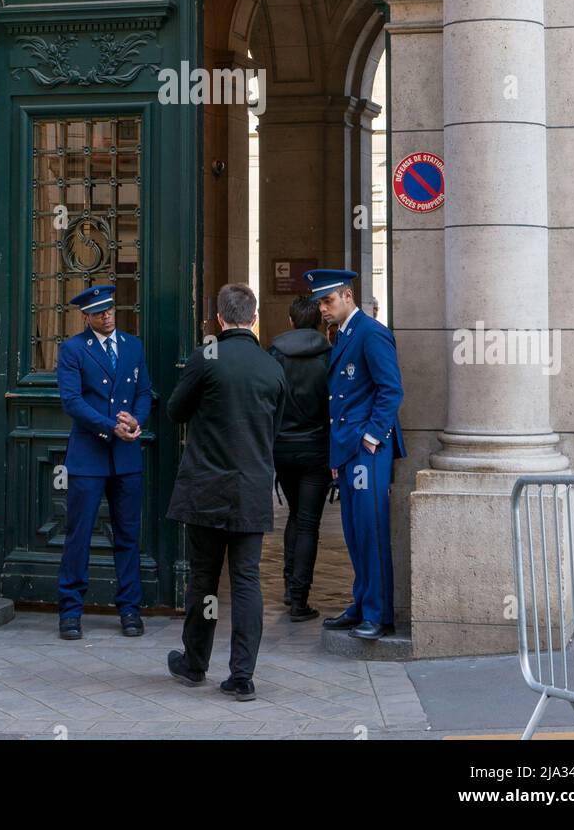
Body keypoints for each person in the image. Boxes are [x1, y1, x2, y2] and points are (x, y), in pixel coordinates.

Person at [165, 282, 286, 702]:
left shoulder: (208, 357)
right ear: (253, 318)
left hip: (207, 486)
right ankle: (242, 675)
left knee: (205, 579)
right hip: (251, 486)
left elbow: (175, 410)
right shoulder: (271, 365)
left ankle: (195, 663)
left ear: (219, 318)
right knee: (247, 580)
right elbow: (276, 427)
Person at [303, 267, 405, 640]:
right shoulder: (346, 334)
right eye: (320, 303)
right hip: (348, 449)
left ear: (348, 296)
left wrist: (372, 437)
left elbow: (391, 389)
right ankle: (362, 603)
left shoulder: (372, 333)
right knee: (353, 532)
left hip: (366, 451)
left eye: (328, 300)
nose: (323, 309)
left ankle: (377, 613)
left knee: (370, 530)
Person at [55, 283, 152, 641]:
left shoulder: (133, 346)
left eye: (111, 310)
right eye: (99, 313)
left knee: (128, 534)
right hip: (88, 456)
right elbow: (71, 401)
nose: (107, 316)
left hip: (126, 457)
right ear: (86, 317)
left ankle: (130, 608)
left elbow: (144, 391)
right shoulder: (73, 350)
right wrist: (111, 426)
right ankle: (70, 610)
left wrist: (137, 420)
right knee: (78, 535)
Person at [268, 295, 332, 622]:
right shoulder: (329, 355)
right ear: (319, 322)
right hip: (317, 447)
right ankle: (299, 598)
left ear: (290, 320)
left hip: (283, 448)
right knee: (308, 521)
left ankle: (289, 586)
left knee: (295, 515)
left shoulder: (275, 355)